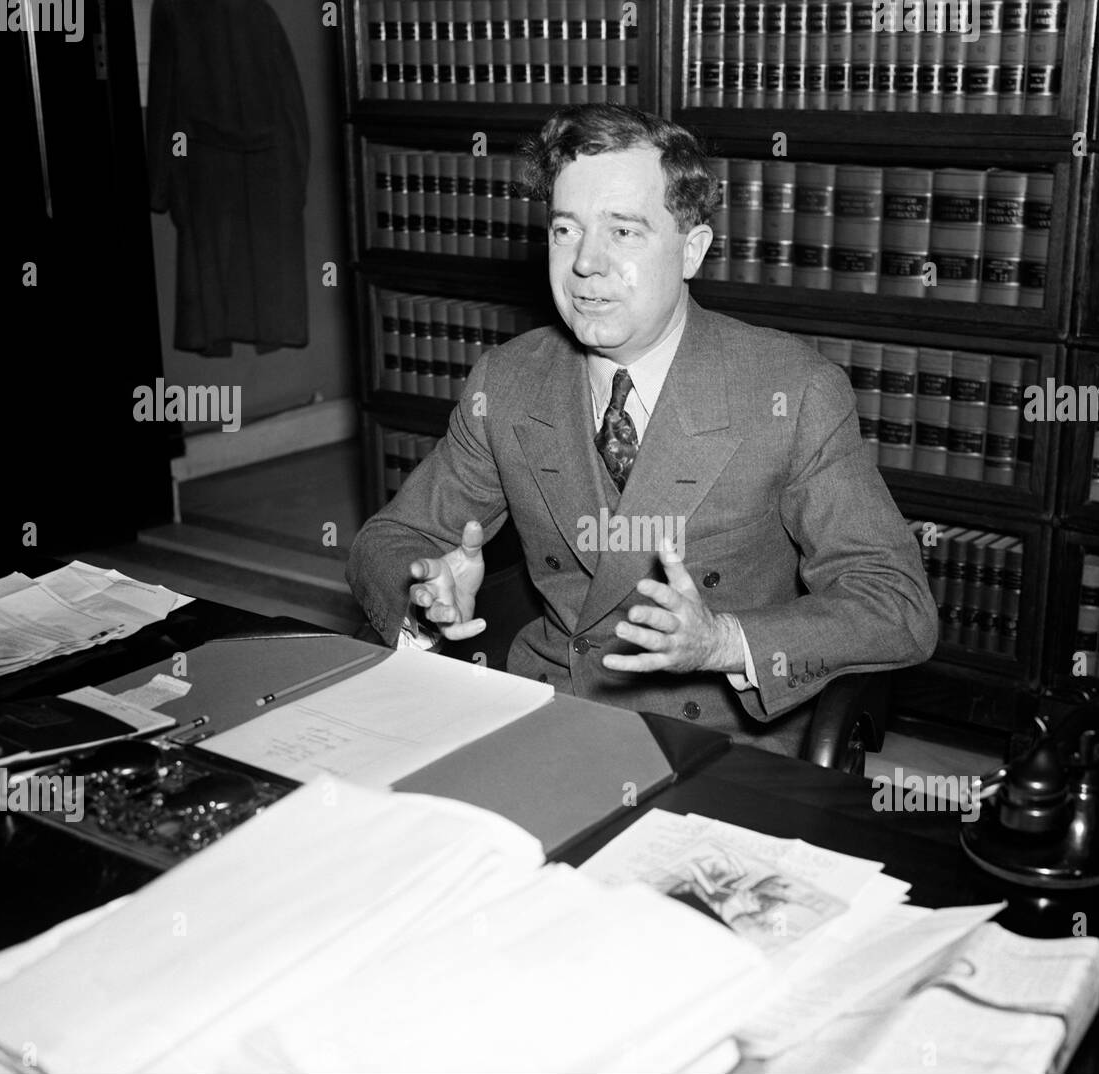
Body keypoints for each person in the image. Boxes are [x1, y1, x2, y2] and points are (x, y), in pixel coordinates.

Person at [347, 103, 938, 757]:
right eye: (565, 230)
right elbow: (390, 538)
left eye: (623, 232)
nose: (585, 264)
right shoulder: (507, 382)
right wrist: (423, 589)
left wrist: (724, 639)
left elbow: (897, 604)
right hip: (550, 718)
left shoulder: (791, 391)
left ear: (692, 250)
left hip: (719, 742)